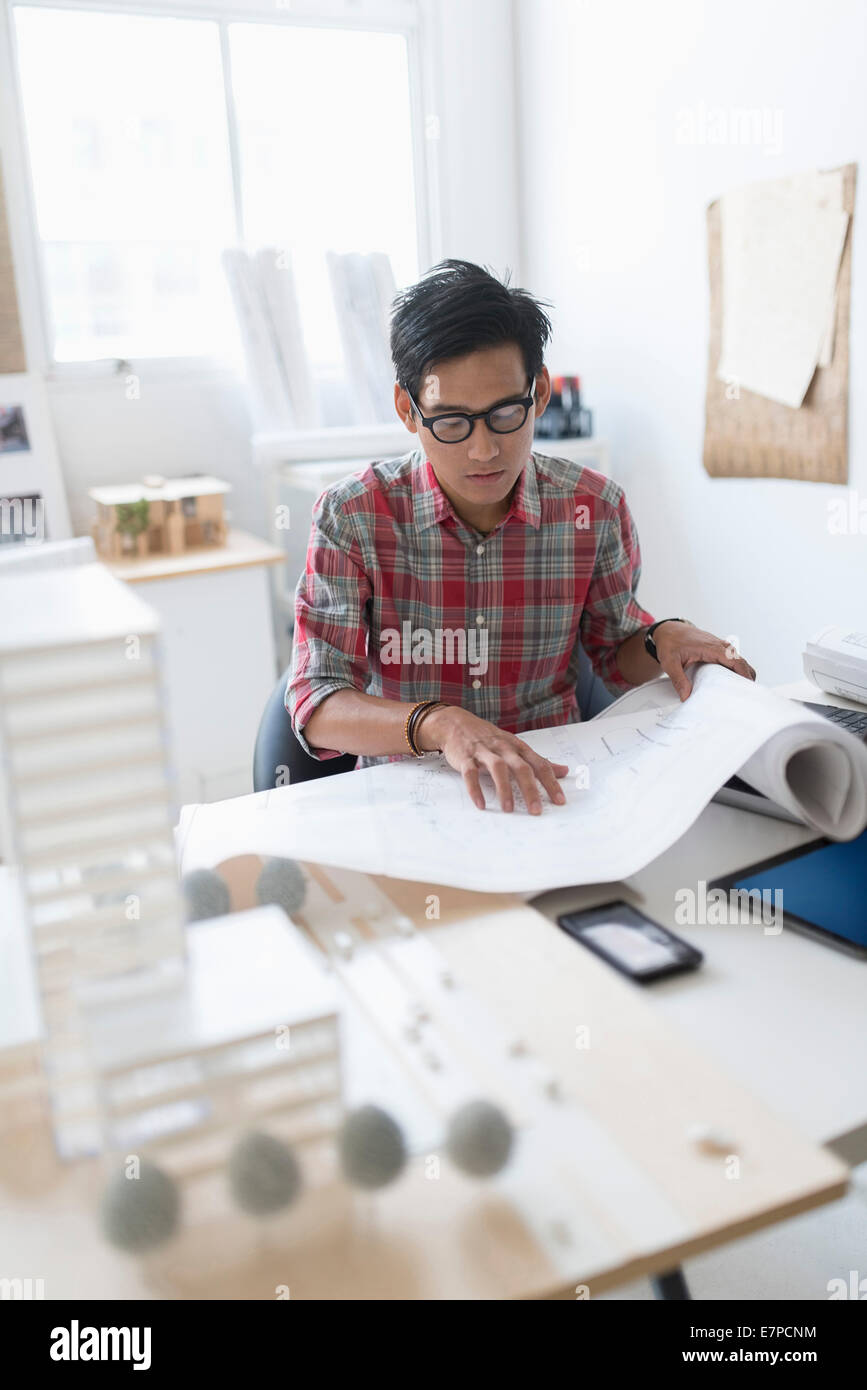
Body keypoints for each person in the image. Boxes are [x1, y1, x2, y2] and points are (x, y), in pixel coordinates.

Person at [286, 259, 755, 814]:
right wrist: (439, 724)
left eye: (506, 413)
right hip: (409, 797)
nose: (483, 451)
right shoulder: (354, 516)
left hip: (553, 791)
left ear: (539, 393)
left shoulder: (593, 507)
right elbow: (316, 705)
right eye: (452, 422)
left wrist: (662, 638)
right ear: (407, 410)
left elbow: (613, 655)